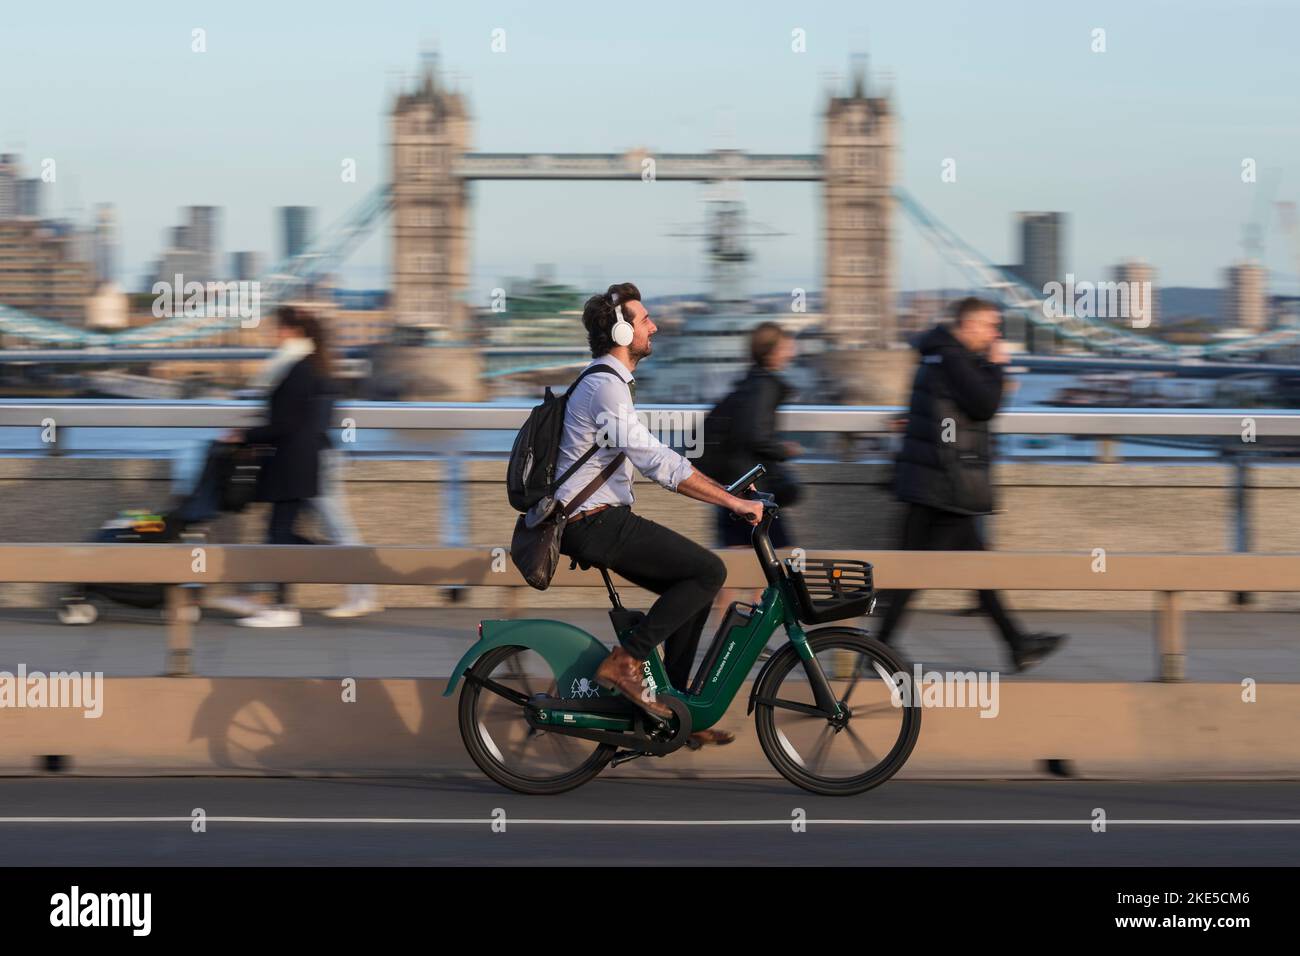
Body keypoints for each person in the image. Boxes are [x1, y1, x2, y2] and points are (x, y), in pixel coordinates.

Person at [555, 283, 763, 746]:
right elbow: (655, 461)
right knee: (709, 571)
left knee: (690, 588)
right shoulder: (605, 388)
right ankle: (624, 662)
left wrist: (726, 490)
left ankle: (675, 707)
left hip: (596, 518)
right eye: (646, 320)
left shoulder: (605, 382)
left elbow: (661, 459)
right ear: (622, 332)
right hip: (592, 521)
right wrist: (731, 502)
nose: (656, 327)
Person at [875, 296, 1067, 672]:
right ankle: (880, 648)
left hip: (934, 477)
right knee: (924, 570)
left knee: (939, 567)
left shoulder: (938, 354)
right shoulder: (953, 358)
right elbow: (985, 405)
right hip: (946, 482)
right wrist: (997, 367)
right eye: (991, 326)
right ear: (969, 324)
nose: (996, 334)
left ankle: (1016, 643)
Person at [221, 305, 333, 628]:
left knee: (279, 535)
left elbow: (286, 422)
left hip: (292, 461)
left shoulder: (297, 369)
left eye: (277, 328)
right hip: (295, 460)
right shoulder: (306, 364)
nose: (274, 333)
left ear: (291, 331)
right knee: (278, 532)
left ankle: (285, 604)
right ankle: (273, 599)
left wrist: (244, 435)